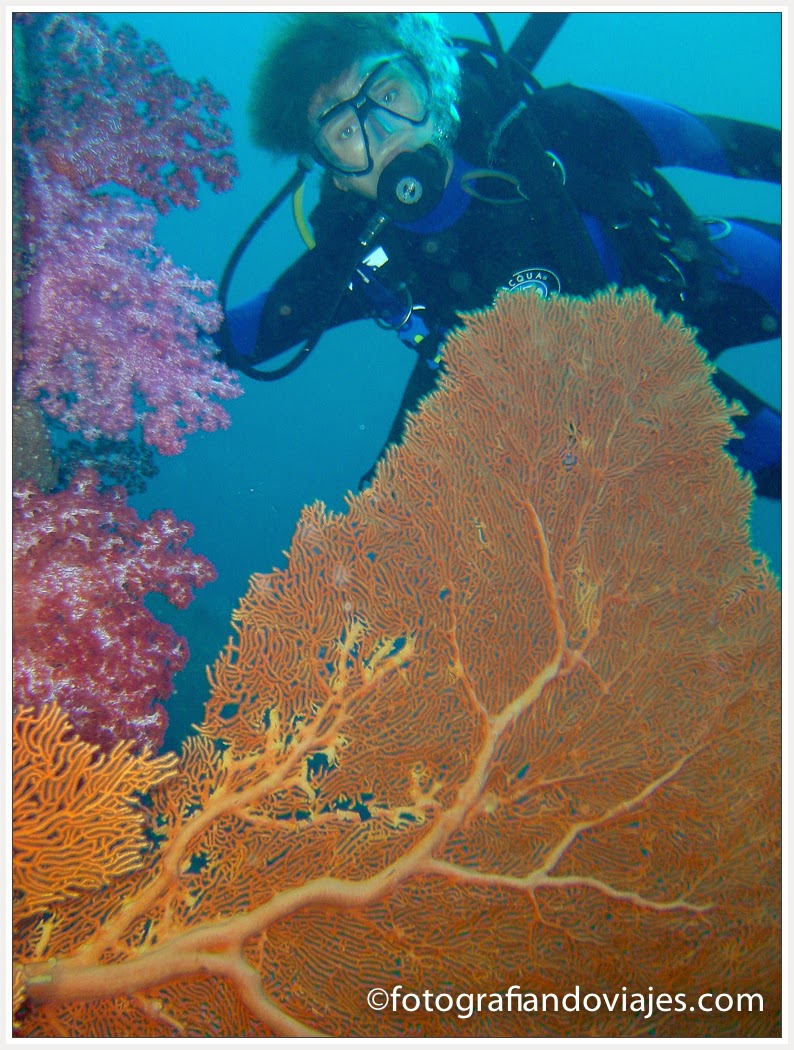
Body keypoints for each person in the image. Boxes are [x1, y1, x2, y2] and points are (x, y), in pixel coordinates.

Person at [215, 12, 781, 497]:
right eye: (346, 132)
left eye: (389, 95)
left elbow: (721, 144)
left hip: (697, 280)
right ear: (335, 175)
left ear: (430, 80)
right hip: (625, 407)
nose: (385, 133)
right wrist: (134, 340)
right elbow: (233, 336)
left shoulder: (552, 122)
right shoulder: (359, 256)